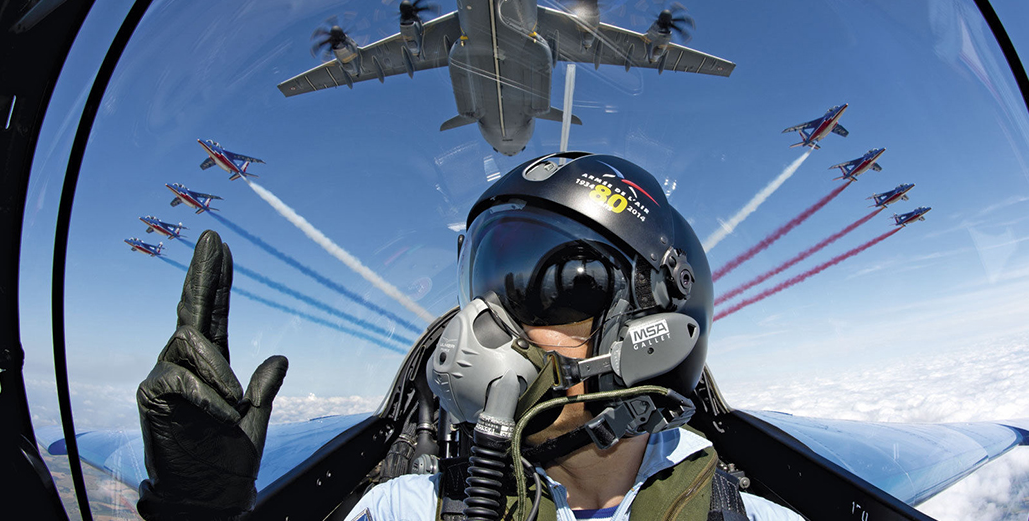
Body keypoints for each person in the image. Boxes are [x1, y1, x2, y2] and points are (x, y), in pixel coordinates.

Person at [136, 152, 805, 521]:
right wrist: (198, 517)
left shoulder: (735, 518)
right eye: (483, 291)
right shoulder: (406, 511)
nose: (481, 330)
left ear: (652, 333)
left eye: (549, 294)